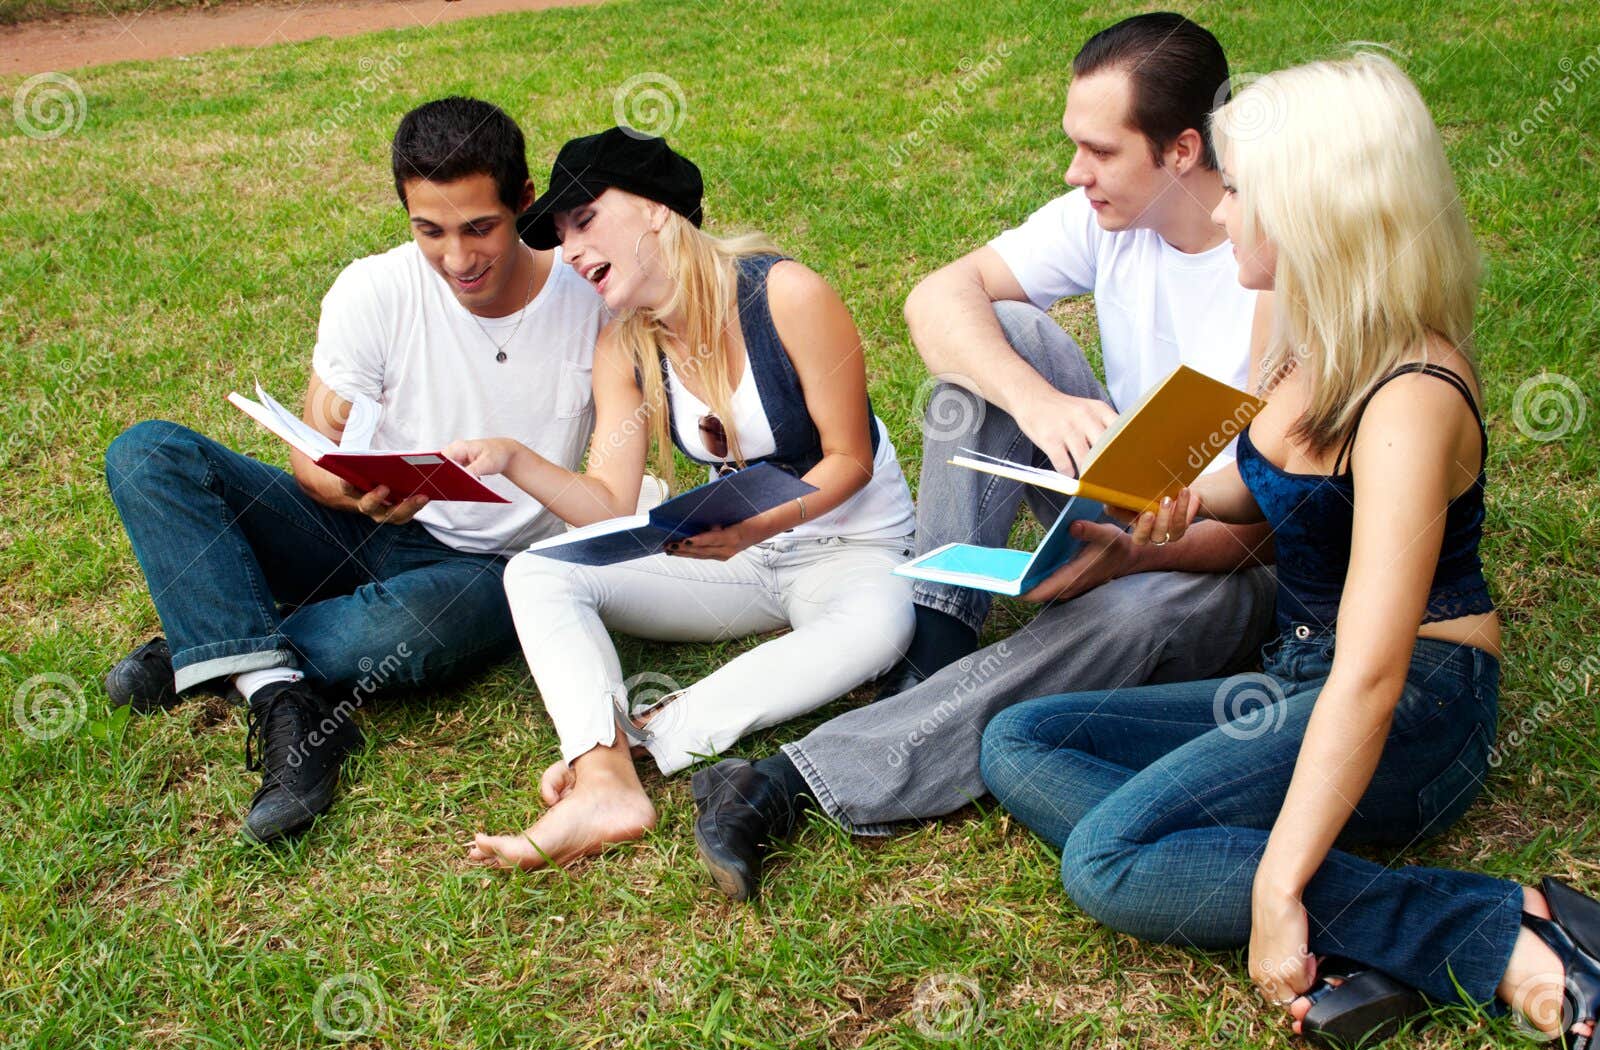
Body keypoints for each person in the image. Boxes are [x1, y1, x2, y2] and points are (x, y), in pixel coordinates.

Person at [981, 54, 1597, 1050]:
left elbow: (1371, 671)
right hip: (1291, 679)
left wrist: (1273, 895)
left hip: (1414, 707)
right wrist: (1165, 513)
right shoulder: (1302, 331)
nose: (1219, 214)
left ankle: (1505, 934)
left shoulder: (1410, 395)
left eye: (1241, 191)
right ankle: (1360, 913)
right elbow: (1266, 483)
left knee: (1106, 861)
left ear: (1313, 208)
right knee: (1020, 740)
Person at [691, 12, 1275, 903]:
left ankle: (793, 782)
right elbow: (936, 299)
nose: (1074, 172)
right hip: (1126, 491)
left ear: (1183, 149)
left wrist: (1139, 551)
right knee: (995, 339)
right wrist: (1038, 400)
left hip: (1223, 552)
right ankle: (939, 637)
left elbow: (1270, 527)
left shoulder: (1275, 266)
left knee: (1130, 616)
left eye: (1099, 150)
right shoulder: (1111, 217)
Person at [102, 98, 608, 843]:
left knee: (407, 629)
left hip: (484, 566)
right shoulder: (374, 289)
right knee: (148, 454)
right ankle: (278, 690)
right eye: (429, 230)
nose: (458, 259)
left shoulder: (587, 296)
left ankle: (207, 644)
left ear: (524, 201)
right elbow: (309, 457)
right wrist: (347, 486)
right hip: (355, 524)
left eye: (480, 228)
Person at [459, 128, 917, 872]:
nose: (570, 249)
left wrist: (756, 524)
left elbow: (850, 459)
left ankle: (642, 741)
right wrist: (514, 460)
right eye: (561, 234)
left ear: (657, 211)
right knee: (536, 571)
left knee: (882, 626)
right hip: (737, 559)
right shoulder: (624, 346)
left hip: (853, 551)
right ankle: (604, 782)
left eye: (585, 220)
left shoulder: (786, 294)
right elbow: (608, 503)